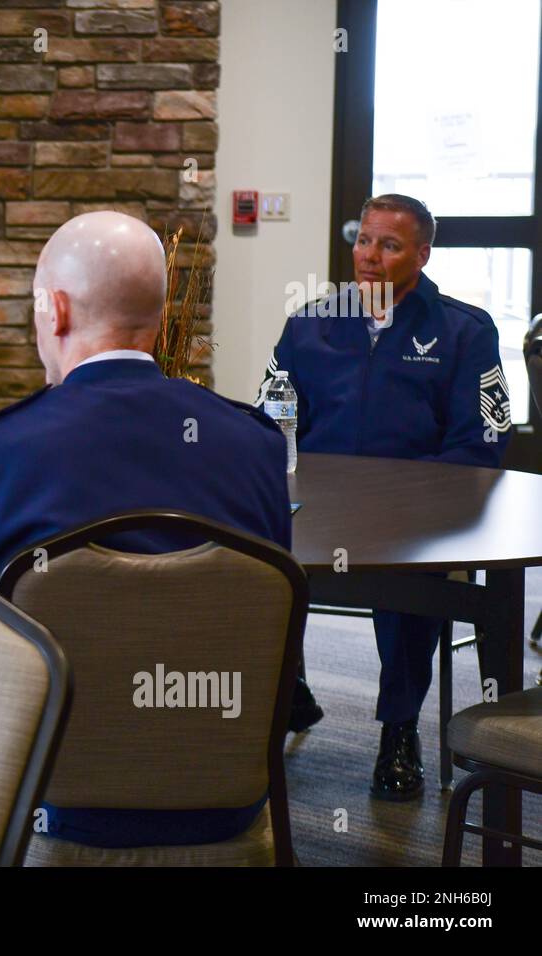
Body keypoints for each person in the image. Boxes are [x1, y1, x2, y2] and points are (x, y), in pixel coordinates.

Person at [0, 210, 294, 848]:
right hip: (225, 803)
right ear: (163, 320)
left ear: (53, 310)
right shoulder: (255, 445)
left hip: (40, 809)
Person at [259, 193, 511, 801]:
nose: (370, 257)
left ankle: (399, 729)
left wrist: (413, 503)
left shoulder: (464, 330)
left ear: (422, 254)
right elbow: (272, 420)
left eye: (389, 245)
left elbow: (482, 442)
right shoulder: (308, 325)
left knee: (410, 593)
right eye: (364, 240)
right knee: (246, 559)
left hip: (412, 517)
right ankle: (286, 690)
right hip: (315, 509)